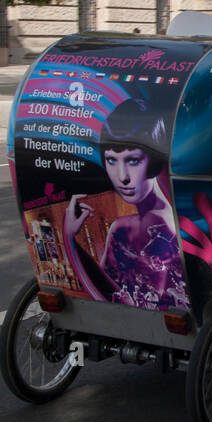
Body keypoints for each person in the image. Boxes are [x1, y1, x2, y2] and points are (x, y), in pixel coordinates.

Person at [63, 98, 186, 310]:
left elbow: (101, 294)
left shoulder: (156, 224)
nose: (123, 177)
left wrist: (68, 238)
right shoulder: (125, 225)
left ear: (155, 160)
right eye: (111, 160)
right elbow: (105, 288)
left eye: (133, 160)